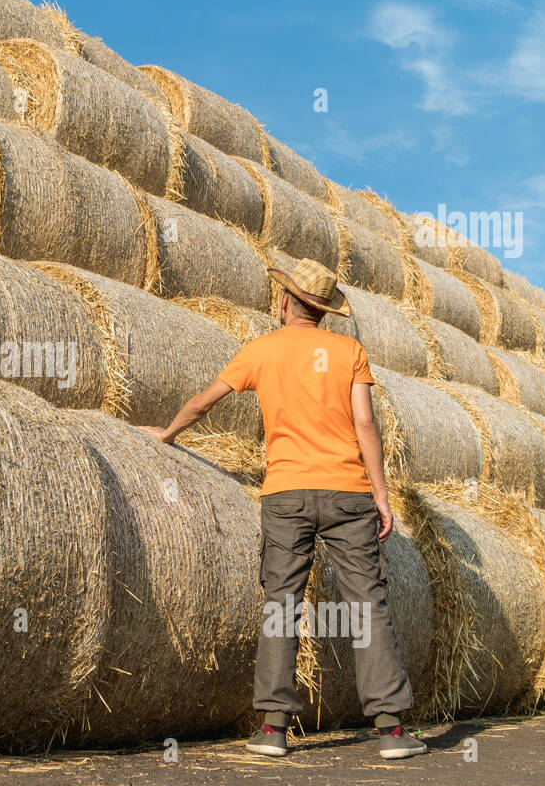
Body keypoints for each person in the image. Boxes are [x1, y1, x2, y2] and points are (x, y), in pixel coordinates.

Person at [138, 258, 427, 760]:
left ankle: (273, 730)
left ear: (287, 301)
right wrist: (380, 495)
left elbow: (206, 400)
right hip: (347, 492)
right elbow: (366, 425)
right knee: (366, 605)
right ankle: (391, 732)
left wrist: (166, 433)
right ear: (323, 312)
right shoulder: (349, 350)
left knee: (281, 604)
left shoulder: (261, 350)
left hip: (286, 494)